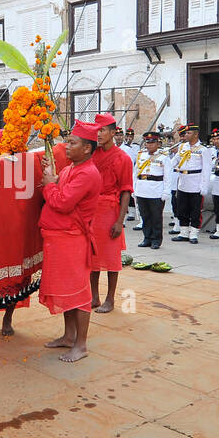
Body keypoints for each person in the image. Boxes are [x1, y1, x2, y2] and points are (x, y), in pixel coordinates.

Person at [39, 122, 102, 363]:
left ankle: (81, 344)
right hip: (59, 238)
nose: (67, 146)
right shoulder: (73, 168)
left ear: (87, 148)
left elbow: (63, 202)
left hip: (72, 239)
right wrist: (52, 176)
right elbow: (60, 183)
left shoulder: (87, 173)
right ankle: (68, 336)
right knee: (67, 292)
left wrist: (48, 186)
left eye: (72, 142)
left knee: (79, 294)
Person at [89, 114, 132, 312]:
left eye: (102, 130)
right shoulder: (91, 153)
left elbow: (126, 191)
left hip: (111, 211)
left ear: (113, 133)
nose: (98, 134)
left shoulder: (122, 158)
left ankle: (110, 299)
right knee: (92, 255)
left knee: (112, 258)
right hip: (92, 210)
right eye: (96, 130)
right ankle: (94, 296)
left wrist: (119, 221)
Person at [170, 124, 208, 243]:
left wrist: (204, 186)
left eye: (188, 133)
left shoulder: (203, 149)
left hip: (195, 182)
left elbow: (206, 169)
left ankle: (194, 234)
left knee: (195, 210)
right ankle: (184, 232)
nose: (186, 135)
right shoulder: (182, 147)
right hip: (183, 181)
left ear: (196, 134)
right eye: (185, 133)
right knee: (182, 209)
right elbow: (174, 161)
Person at [133, 130, 169, 249]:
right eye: (147, 142)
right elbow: (135, 173)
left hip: (156, 190)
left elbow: (167, 176)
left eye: (152, 143)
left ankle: (156, 240)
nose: (149, 145)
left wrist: (165, 192)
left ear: (158, 144)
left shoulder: (163, 158)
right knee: (145, 216)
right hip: (142, 189)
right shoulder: (141, 155)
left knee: (156, 217)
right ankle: (147, 238)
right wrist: (134, 188)